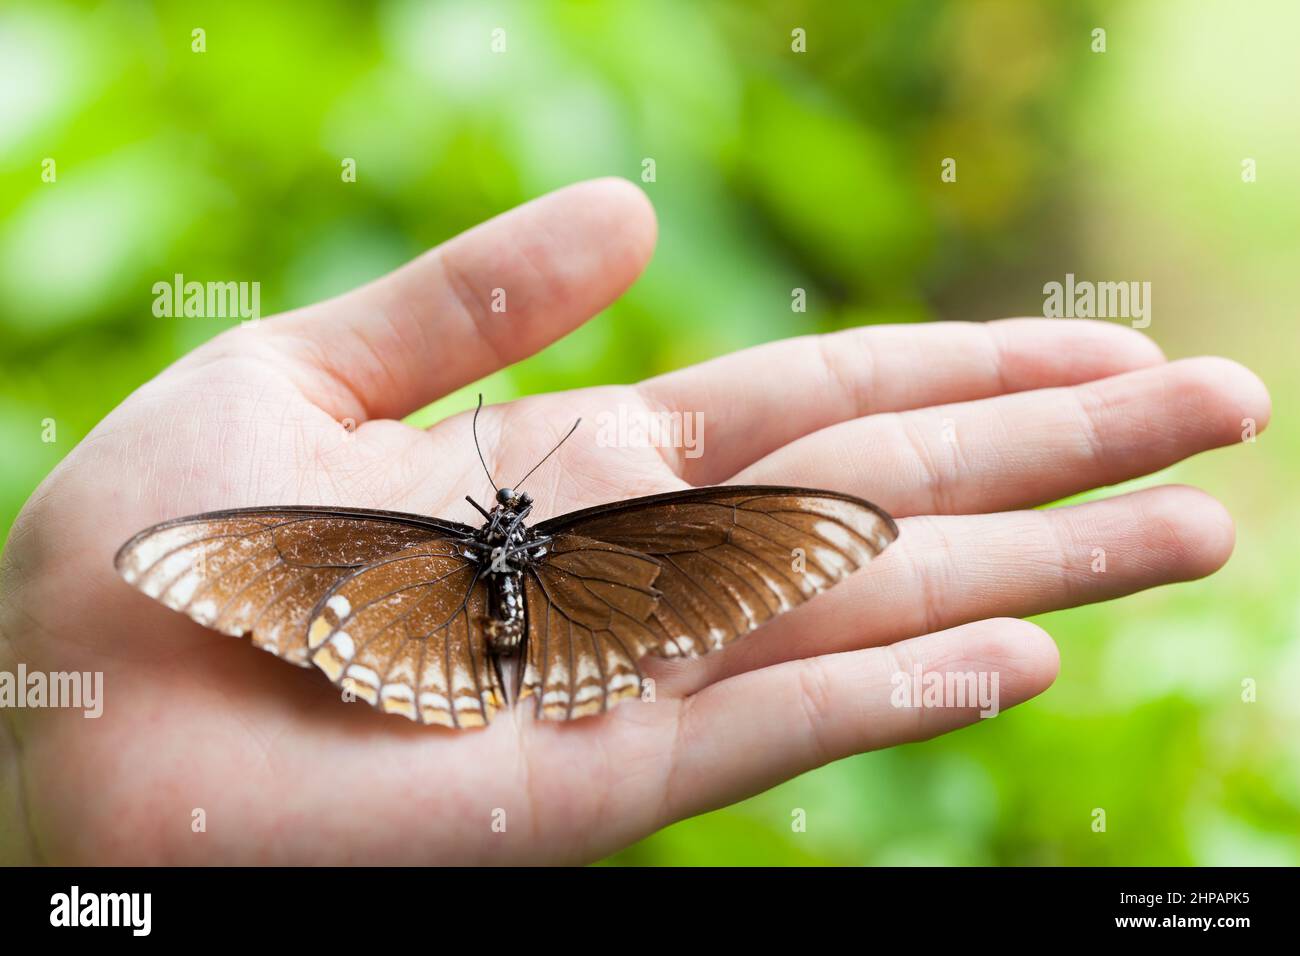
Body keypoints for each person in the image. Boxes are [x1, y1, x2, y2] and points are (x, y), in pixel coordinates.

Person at [0, 179, 1270, 864]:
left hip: (476, 621)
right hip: (470, 630)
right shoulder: (306, 543)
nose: (502, 519)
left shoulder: (477, 531)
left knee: (682, 558)